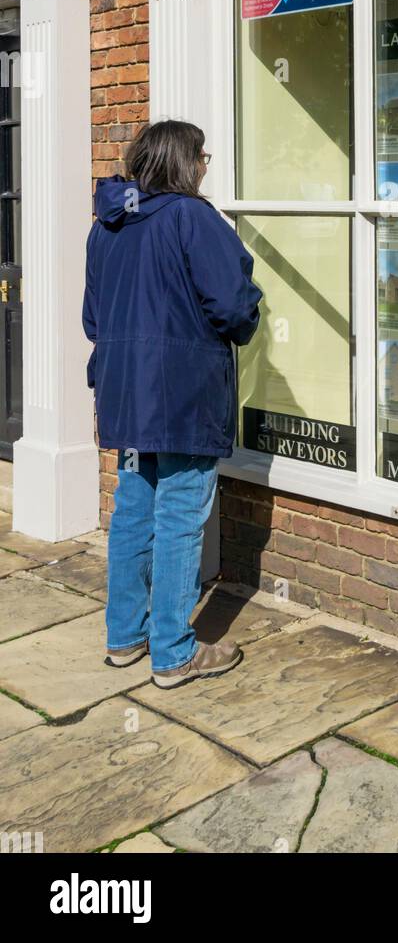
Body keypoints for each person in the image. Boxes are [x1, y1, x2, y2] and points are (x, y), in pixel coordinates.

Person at [82, 119, 262, 689]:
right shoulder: (192, 217)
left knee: (135, 506)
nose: (207, 162)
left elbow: (93, 320)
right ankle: (174, 653)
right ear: (184, 163)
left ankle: (125, 636)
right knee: (182, 514)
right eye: (202, 154)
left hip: (125, 393)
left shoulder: (105, 226)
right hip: (183, 394)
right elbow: (234, 306)